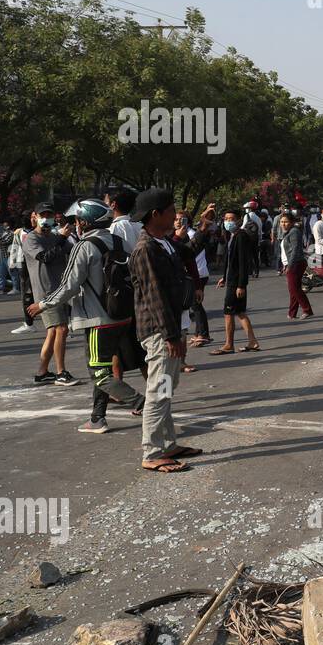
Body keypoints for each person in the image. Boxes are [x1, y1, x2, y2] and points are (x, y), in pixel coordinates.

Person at [28, 199, 148, 434]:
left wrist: (43, 304)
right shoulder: (118, 240)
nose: (75, 224)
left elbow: (69, 285)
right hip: (123, 316)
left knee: (100, 374)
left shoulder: (84, 246)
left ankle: (143, 403)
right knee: (103, 368)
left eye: (77, 220)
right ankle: (97, 418)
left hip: (98, 320)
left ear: (84, 221)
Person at [128, 188, 202, 472]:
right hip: (160, 330)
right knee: (159, 389)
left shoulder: (164, 243)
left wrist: (204, 227)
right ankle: (153, 451)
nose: (176, 215)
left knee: (168, 388)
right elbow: (153, 296)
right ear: (155, 214)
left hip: (172, 326)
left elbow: (191, 251)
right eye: (171, 210)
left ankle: (167, 442)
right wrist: (171, 335)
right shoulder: (145, 248)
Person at [23, 205, 78, 385]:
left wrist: (72, 235)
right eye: (43, 215)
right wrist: (62, 238)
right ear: (35, 216)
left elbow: (74, 251)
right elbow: (45, 257)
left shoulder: (55, 236)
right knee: (62, 329)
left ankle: (42, 372)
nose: (46, 218)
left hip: (60, 289)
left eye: (49, 215)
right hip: (46, 292)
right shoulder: (31, 238)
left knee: (53, 332)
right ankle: (61, 372)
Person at [211, 210, 260, 355]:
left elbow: (243, 262)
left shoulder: (241, 236)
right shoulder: (232, 236)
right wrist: (224, 278)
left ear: (238, 220)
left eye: (231, 219)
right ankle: (253, 342)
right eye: (226, 218)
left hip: (236, 282)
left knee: (228, 312)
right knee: (240, 312)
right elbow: (230, 260)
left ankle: (228, 344)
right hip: (232, 279)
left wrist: (241, 285)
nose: (228, 221)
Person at [181, 211, 215, 346]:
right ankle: (198, 333)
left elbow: (191, 254)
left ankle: (203, 334)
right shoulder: (182, 235)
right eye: (175, 219)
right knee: (194, 305)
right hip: (197, 273)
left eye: (181, 219)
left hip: (198, 273)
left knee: (196, 305)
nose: (178, 222)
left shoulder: (189, 235)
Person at [279, 211, 314, 320]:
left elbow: (295, 250)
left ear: (292, 222)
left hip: (296, 263)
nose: (283, 224)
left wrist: (290, 265)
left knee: (294, 288)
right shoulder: (288, 232)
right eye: (281, 222)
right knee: (293, 289)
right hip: (291, 263)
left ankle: (307, 310)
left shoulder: (294, 232)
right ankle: (292, 313)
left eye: (286, 222)